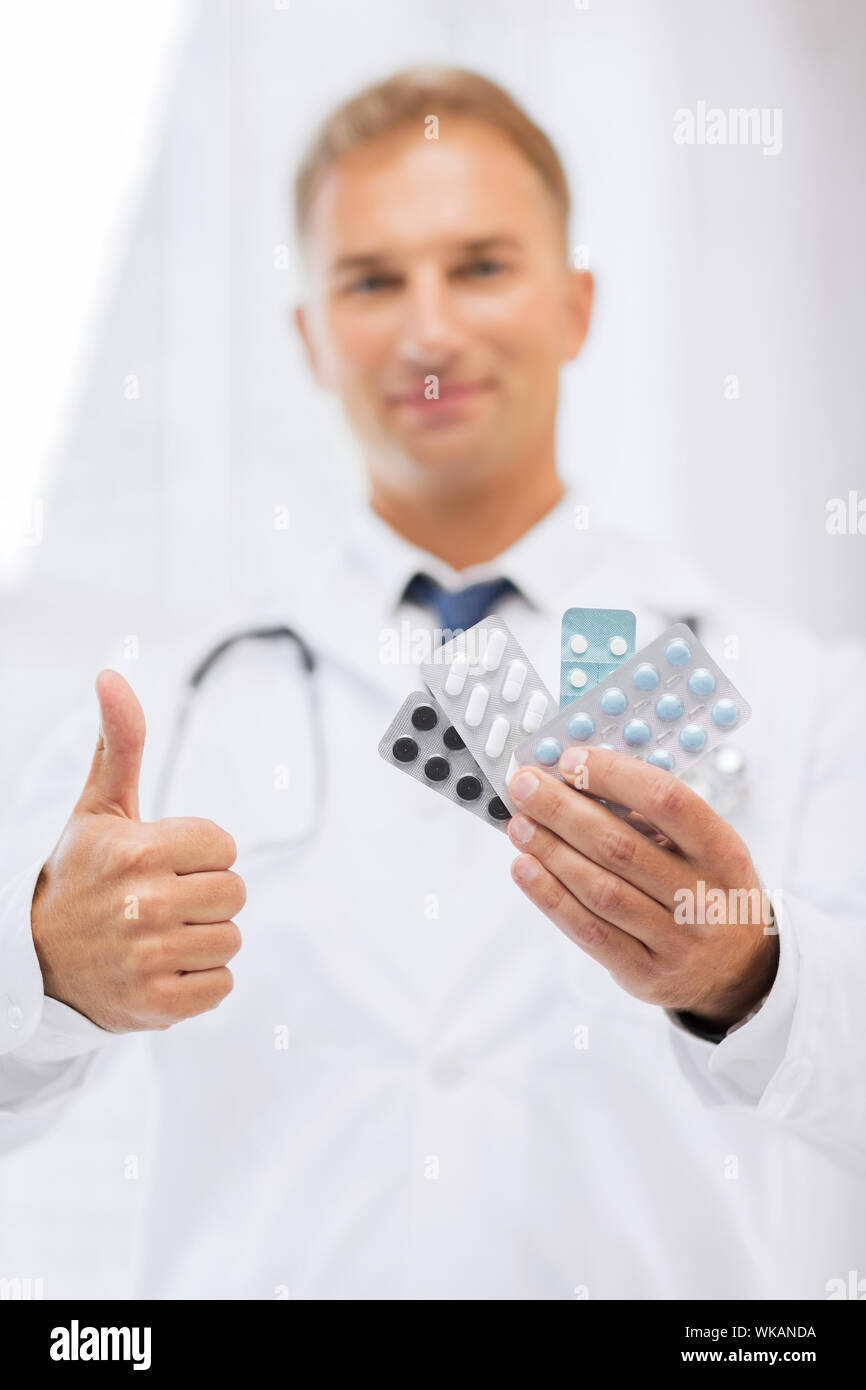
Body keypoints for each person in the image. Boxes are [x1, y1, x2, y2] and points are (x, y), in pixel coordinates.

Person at [1, 67, 863, 1301]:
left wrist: (745, 971)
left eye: (479, 266)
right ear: (307, 336)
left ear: (573, 306)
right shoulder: (175, 701)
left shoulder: (787, 685)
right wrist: (44, 968)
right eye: (369, 280)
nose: (427, 330)